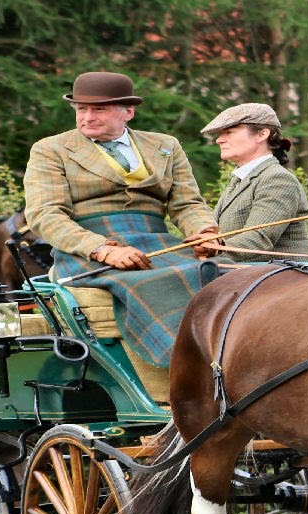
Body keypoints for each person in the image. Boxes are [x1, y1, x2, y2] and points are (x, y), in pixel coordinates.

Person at [23, 71, 219, 367]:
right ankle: (185, 366)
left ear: (128, 112)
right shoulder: (51, 150)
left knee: (218, 273)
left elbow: (187, 202)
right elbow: (46, 214)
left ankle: (230, 358)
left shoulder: (165, 145)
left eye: (98, 109)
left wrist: (204, 231)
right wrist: (103, 249)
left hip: (157, 243)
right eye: (80, 109)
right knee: (158, 281)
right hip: (86, 251)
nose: (87, 117)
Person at [201, 103, 308, 263]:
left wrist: (207, 252)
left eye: (229, 132)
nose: (219, 140)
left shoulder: (278, 179)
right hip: (242, 276)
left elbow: (259, 238)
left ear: (261, 134)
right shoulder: (240, 180)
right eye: (220, 134)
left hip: (281, 278)